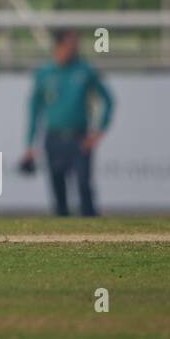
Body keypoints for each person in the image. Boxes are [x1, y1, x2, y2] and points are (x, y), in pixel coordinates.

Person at [22, 30, 113, 217]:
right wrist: (30, 144)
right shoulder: (44, 73)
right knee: (57, 189)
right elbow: (34, 109)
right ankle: (61, 237)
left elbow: (108, 100)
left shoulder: (84, 70)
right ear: (58, 46)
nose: (74, 49)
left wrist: (99, 131)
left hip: (79, 137)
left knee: (83, 185)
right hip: (53, 138)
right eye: (70, 45)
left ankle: (94, 234)